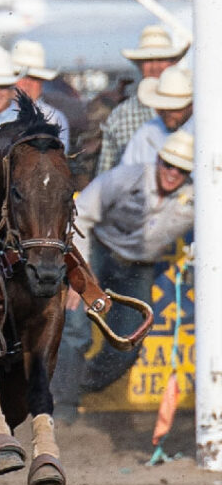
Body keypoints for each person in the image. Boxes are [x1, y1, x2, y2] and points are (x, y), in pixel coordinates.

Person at [54, 130, 195, 405]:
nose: (173, 173)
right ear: (158, 160)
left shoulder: (196, 198)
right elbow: (78, 215)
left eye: (182, 169)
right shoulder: (124, 177)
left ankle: (76, 385)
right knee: (75, 326)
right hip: (97, 251)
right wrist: (80, 272)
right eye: (168, 164)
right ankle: (63, 403)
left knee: (130, 340)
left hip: (138, 267)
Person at [96, 24, 189, 176]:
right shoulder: (121, 115)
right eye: (148, 60)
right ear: (138, 65)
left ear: (173, 62)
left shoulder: (191, 111)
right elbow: (105, 174)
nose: (155, 67)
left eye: (162, 60)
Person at [120, 63, 192, 166]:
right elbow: (125, 173)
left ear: (191, 106)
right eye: (163, 107)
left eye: (175, 109)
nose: (167, 113)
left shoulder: (205, 134)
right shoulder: (146, 132)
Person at [11, 40, 70, 151]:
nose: (27, 83)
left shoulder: (54, 119)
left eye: (34, 78)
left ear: (42, 83)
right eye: (22, 76)